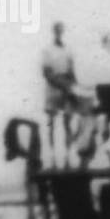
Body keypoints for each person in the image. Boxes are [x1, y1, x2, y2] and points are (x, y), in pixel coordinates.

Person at [41, 22, 77, 167]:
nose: (59, 33)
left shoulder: (68, 50)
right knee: (51, 122)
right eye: (56, 31)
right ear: (53, 32)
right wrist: (61, 84)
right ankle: (52, 156)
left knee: (67, 121)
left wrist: (72, 88)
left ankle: (68, 156)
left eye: (61, 31)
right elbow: (46, 72)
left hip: (67, 86)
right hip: (53, 86)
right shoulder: (47, 50)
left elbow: (72, 71)